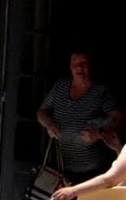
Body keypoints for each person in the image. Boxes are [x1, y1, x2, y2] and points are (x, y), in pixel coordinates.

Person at [36, 50, 121, 185]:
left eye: (83, 63)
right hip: (61, 168)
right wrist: (49, 124)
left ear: (91, 66)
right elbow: (42, 111)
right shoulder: (60, 87)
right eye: (74, 64)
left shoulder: (100, 92)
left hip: (92, 170)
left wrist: (98, 134)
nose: (79, 68)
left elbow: (118, 118)